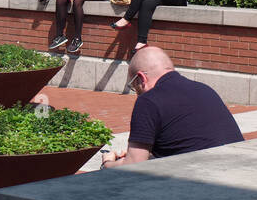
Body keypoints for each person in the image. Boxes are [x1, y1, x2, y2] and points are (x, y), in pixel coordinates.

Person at [102, 47, 243, 167]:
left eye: (135, 88)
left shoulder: (148, 101)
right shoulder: (204, 89)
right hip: (238, 173)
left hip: (203, 185)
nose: (138, 95)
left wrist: (107, 164)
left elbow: (133, 165)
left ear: (141, 78)